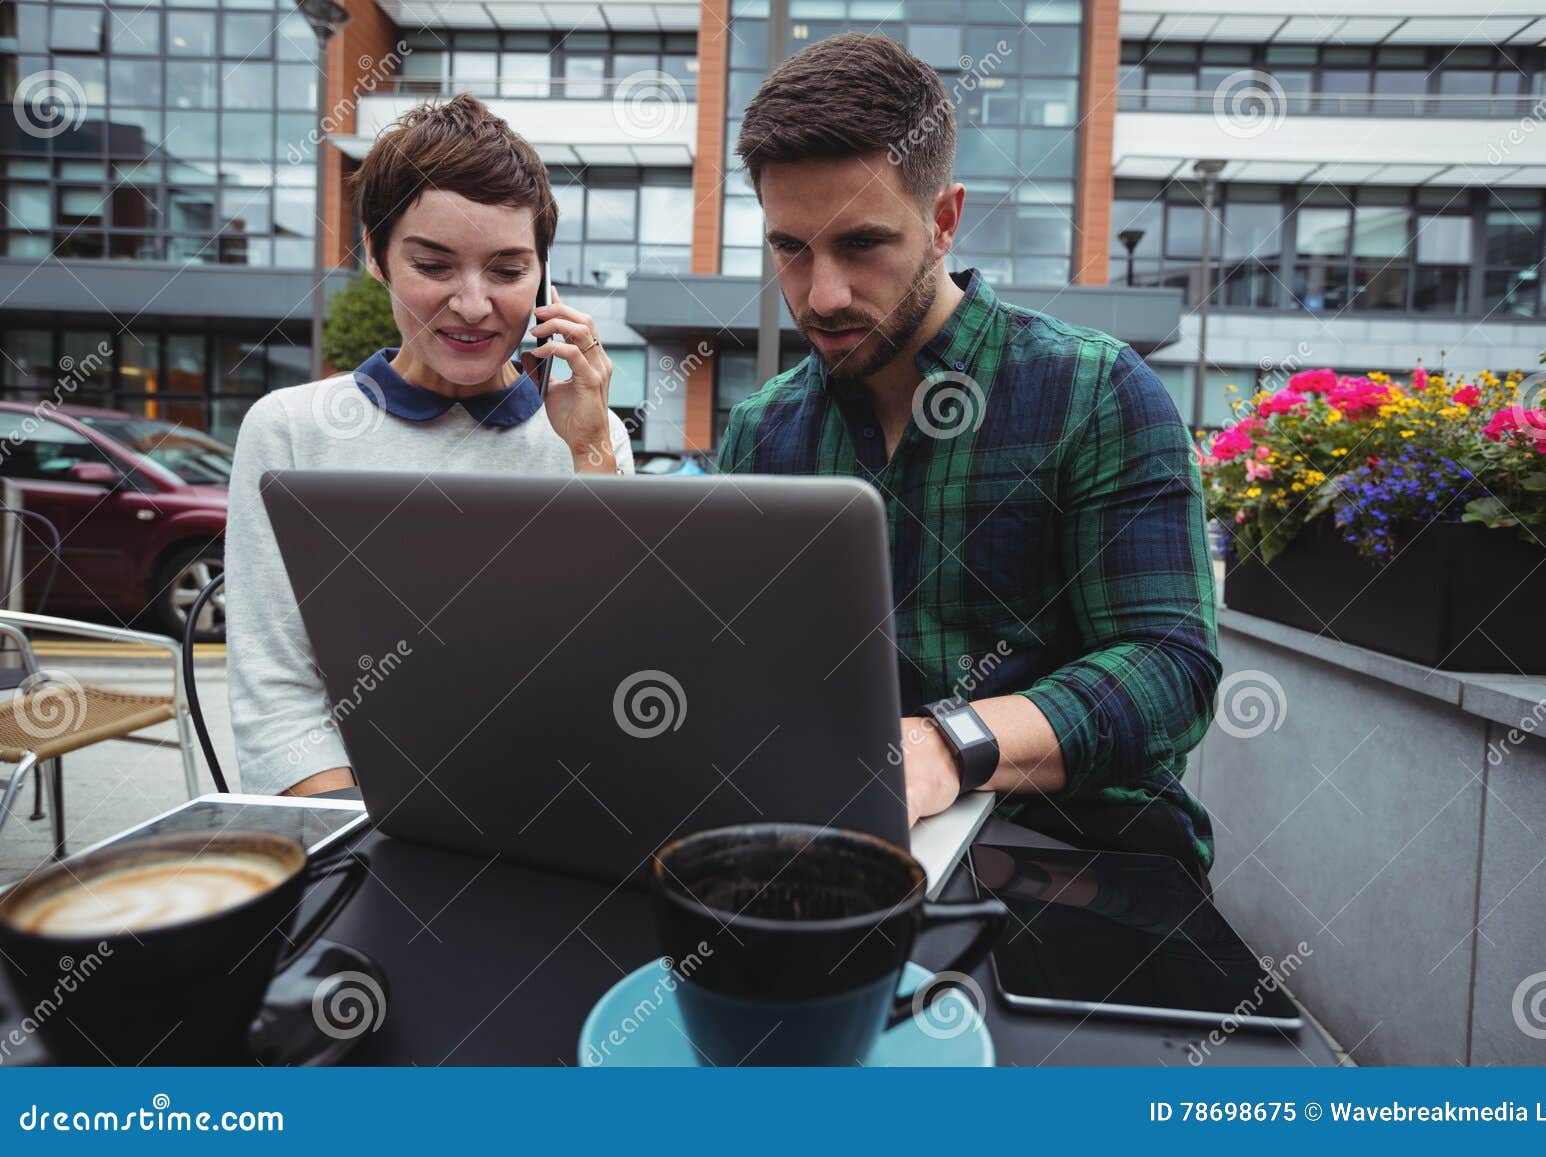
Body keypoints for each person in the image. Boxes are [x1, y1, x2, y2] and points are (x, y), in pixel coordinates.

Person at [716, 34, 1222, 882]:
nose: (822, 294)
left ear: (944, 219)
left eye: (862, 245)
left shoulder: (1094, 391)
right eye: (790, 249)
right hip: (828, 847)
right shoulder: (764, 430)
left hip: (1072, 856)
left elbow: (1171, 666)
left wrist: (953, 743)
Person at [227, 94, 634, 799]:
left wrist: (591, 454)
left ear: (545, 278)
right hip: (357, 818)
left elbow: (623, 660)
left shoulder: (590, 434)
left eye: (508, 271)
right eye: (436, 266)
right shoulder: (290, 429)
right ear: (378, 257)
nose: (474, 305)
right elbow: (277, 690)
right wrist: (362, 839)